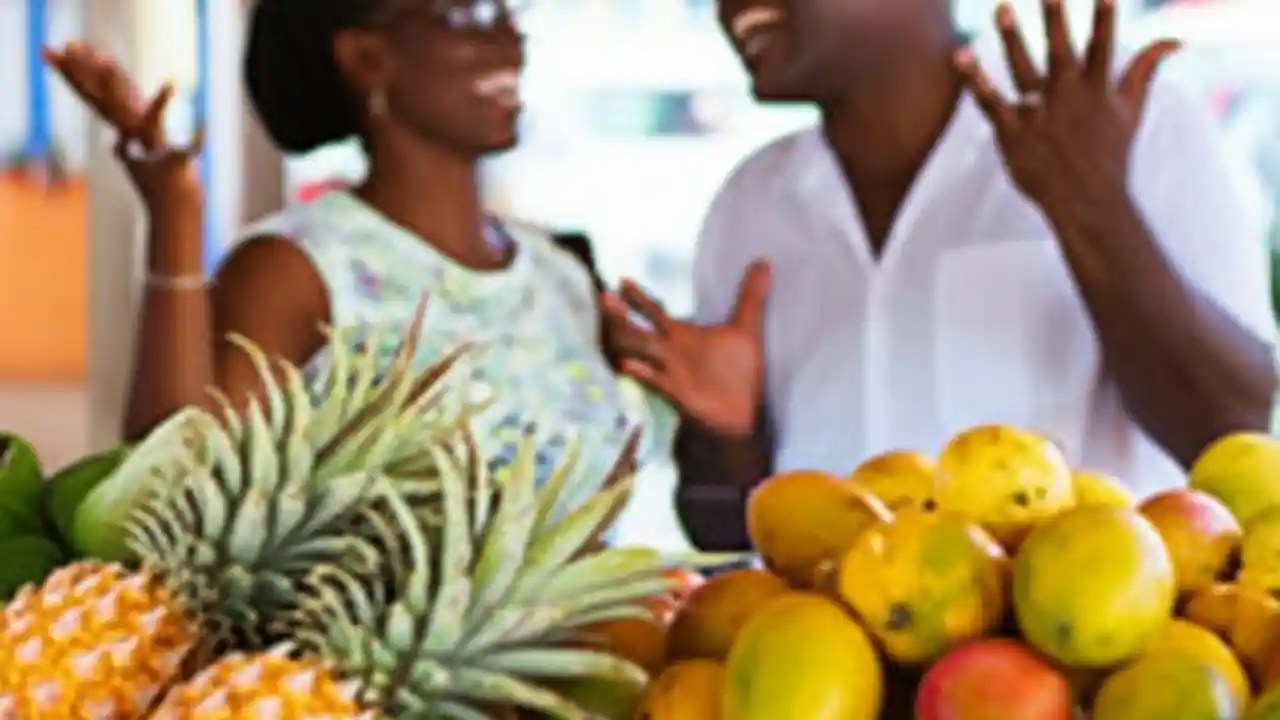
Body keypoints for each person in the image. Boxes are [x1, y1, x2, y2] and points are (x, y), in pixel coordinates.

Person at [602, 0, 1279, 549]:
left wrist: (1092, 210)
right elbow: (726, 531)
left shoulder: (1125, 124)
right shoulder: (749, 207)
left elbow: (1230, 432)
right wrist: (728, 439)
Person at [45, 0, 675, 516]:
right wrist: (175, 212)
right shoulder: (299, 268)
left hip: (612, 658)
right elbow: (176, 477)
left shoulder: (560, 274)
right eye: (469, 16)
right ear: (365, 57)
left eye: (510, 13)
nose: (510, 40)